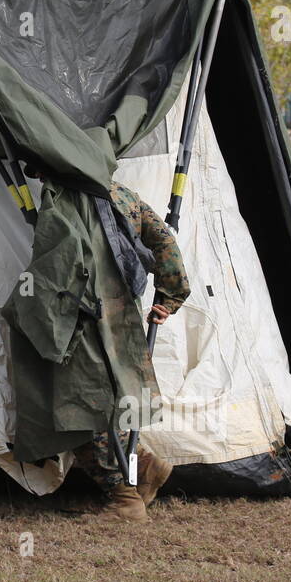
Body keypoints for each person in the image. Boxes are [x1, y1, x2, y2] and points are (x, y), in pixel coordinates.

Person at [71, 180, 189, 524]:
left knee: (80, 401)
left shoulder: (68, 194)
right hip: (123, 308)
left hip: (82, 313)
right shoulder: (121, 193)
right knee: (108, 395)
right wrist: (171, 295)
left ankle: (124, 499)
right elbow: (163, 238)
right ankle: (144, 466)